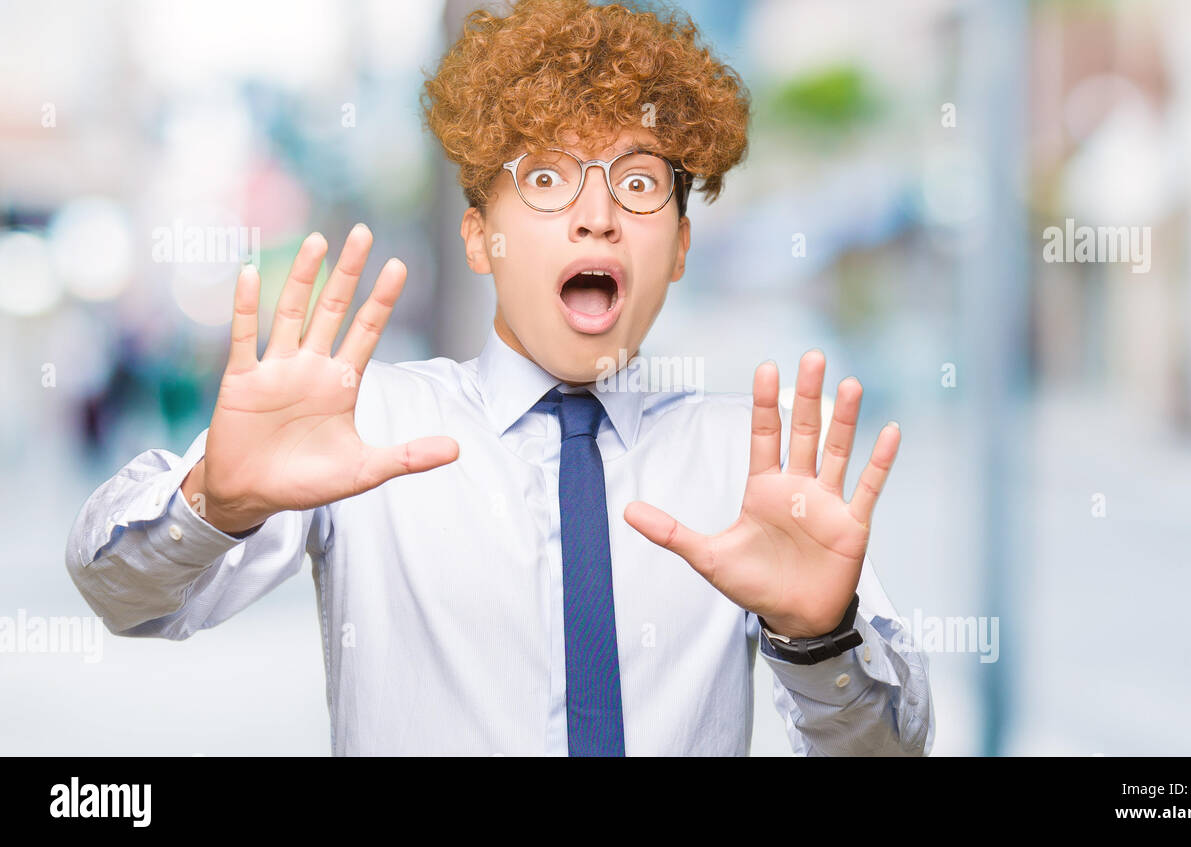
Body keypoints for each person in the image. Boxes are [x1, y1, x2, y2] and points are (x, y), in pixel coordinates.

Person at [65, 0, 934, 756]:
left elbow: (888, 753)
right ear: (480, 237)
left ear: (679, 246)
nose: (598, 217)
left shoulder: (749, 469)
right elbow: (121, 594)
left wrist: (820, 638)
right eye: (549, 178)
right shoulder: (365, 426)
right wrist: (216, 501)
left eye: (638, 184)